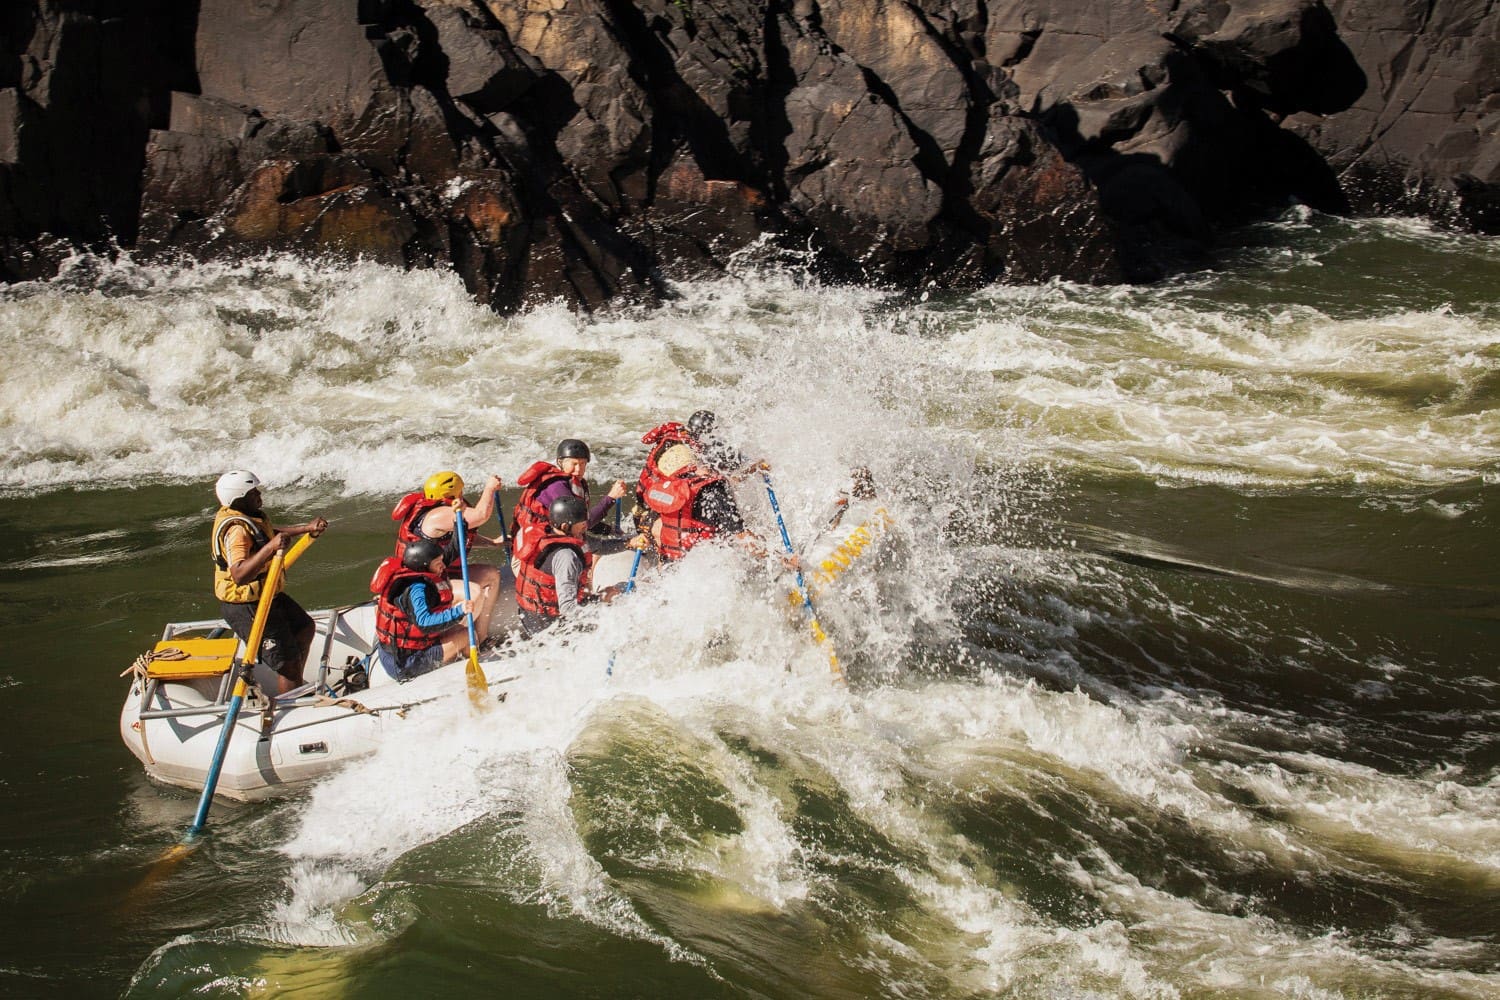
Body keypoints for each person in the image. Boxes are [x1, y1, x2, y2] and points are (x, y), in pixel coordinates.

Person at [209, 470, 328, 695]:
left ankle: (294, 686)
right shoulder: (235, 531)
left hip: (267, 594)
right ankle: (291, 697)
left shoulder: (249, 518)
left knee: (304, 627)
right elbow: (239, 575)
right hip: (247, 605)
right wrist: (270, 549)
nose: (259, 494)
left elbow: (267, 534)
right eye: (253, 492)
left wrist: (306, 529)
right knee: (288, 665)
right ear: (238, 498)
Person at [391, 470, 503, 636]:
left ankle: (482, 636)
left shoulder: (437, 509)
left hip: (442, 573)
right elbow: (480, 515)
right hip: (427, 584)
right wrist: (490, 488)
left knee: (491, 574)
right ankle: (460, 638)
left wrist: (491, 543)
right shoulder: (437, 515)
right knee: (474, 592)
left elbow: (462, 535)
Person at [637, 441, 776, 563]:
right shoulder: (714, 489)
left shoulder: (665, 489)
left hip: (672, 568)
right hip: (708, 569)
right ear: (694, 464)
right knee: (757, 539)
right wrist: (782, 558)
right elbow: (744, 539)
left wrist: (753, 469)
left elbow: (731, 480)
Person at [370, 538, 485, 682]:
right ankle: (471, 672)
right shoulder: (417, 590)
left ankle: (455, 657)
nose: (443, 565)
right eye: (438, 563)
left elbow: (450, 553)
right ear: (424, 566)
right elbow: (424, 623)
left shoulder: (413, 570)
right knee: (468, 634)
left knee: (458, 628)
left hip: (395, 652)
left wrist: (459, 523)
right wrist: (459, 610)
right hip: (406, 662)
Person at [513, 495, 624, 637]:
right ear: (565, 526)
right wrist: (600, 599)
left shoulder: (550, 532)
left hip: (529, 615)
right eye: (582, 522)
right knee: (616, 603)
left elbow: (599, 546)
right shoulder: (566, 557)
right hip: (548, 626)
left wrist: (629, 542)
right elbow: (568, 609)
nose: (586, 525)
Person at [511, 439, 628, 547]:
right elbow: (584, 523)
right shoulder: (556, 486)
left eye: (582, 464)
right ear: (560, 463)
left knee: (594, 545)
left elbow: (579, 524)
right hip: (535, 548)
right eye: (574, 464)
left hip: (547, 539)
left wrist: (610, 530)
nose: (578, 469)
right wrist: (611, 497)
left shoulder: (573, 482)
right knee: (593, 548)